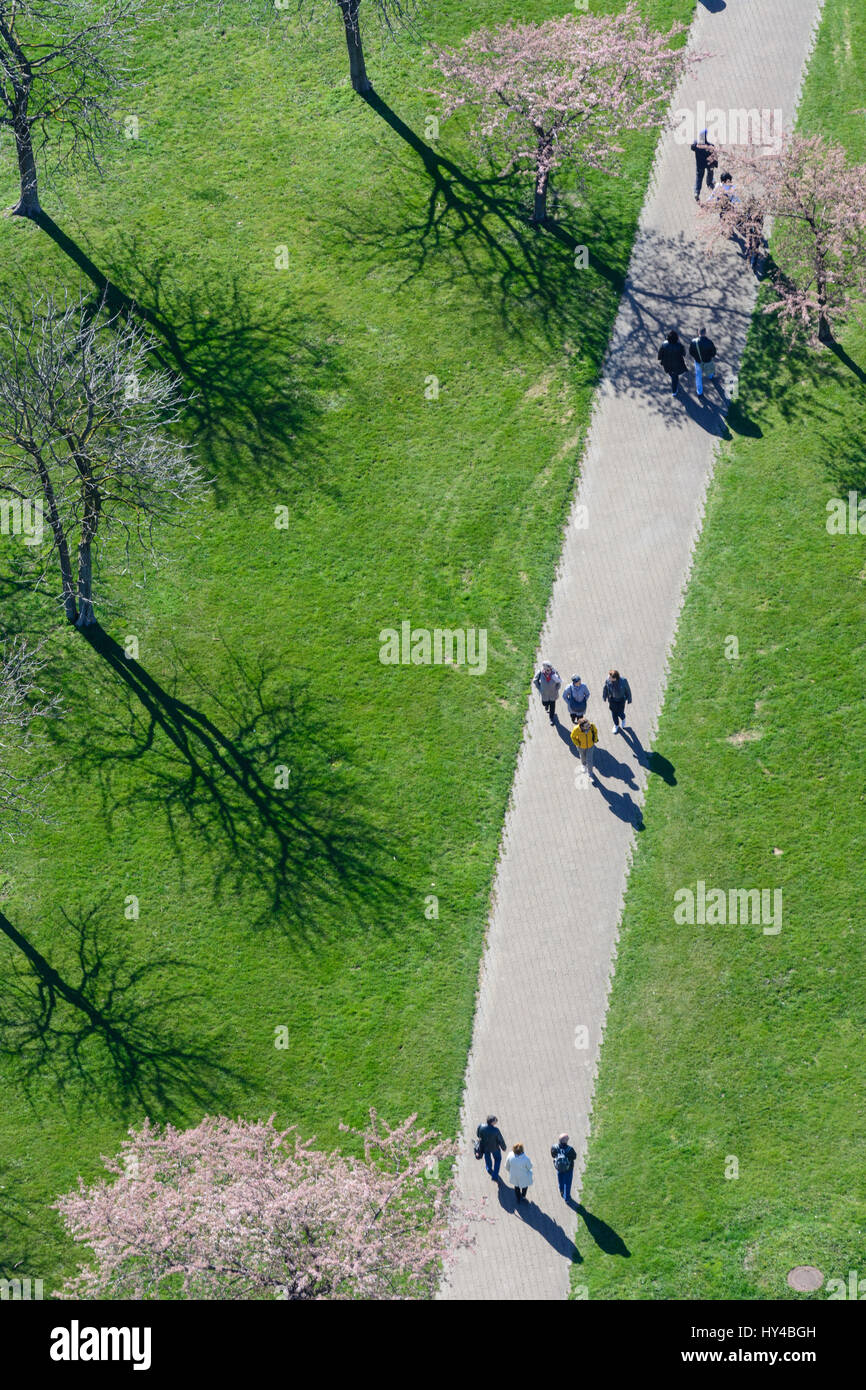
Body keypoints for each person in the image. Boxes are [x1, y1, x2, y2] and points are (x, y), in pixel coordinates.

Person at [688, 326, 717, 398]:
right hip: (707, 361)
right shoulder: (709, 342)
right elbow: (713, 353)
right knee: (709, 370)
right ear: (705, 333)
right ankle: (711, 377)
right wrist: (709, 357)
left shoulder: (693, 342)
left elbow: (691, 352)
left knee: (698, 376)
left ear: (698, 332)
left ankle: (699, 392)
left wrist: (696, 357)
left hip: (698, 361)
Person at [476, 1115, 506, 1181]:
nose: (496, 1121)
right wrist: (504, 1147)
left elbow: (478, 1135)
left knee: (487, 1157)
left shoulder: (481, 1126)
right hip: (495, 1148)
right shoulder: (496, 1130)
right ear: (492, 1122)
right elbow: (500, 1140)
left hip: (485, 1147)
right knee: (498, 1159)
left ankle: (489, 1168)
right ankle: (495, 1176)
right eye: (495, 1120)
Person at [657, 330, 687, 397]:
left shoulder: (664, 344)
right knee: (675, 378)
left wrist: (661, 359)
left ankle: (673, 381)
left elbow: (660, 354)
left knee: (671, 374)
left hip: (667, 364)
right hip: (677, 365)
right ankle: (674, 391)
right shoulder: (679, 346)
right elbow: (684, 354)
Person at [690, 128, 718, 201]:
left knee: (699, 178)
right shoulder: (710, 146)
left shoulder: (696, 146)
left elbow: (692, 147)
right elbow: (714, 155)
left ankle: (697, 192)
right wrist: (715, 164)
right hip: (709, 164)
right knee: (710, 175)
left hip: (700, 165)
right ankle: (710, 185)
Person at [602, 669, 632, 734]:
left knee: (620, 713)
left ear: (614, 678)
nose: (608, 678)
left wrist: (629, 699)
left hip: (621, 700)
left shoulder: (623, 681)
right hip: (612, 699)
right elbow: (605, 688)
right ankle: (616, 725)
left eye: (610, 677)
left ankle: (623, 718)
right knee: (614, 713)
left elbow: (628, 690)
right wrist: (604, 696)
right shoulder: (608, 681)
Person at [551, 1133, 578, 1203]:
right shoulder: (570, 1149)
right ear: (565, 1141)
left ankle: (561, 1191)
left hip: (559, 1168)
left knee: (560, 1179)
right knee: (567, 1183)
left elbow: (553, 1155)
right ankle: (567, 1198)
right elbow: (574, 1157)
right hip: (568, 1169)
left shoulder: (554, 1147)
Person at [533, 661, 561, 726]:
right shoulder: (540, 673)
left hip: (553, 694)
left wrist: (556, 689)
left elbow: (559, 682)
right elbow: (535, 680)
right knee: (544, 703)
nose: (549, 671)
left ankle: (551, 718)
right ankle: (546, 706)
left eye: (550, 669)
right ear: (544, 669)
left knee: (552, 707)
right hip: (544, 694)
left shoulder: (554, 673)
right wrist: (539, 688)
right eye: (548, 670)